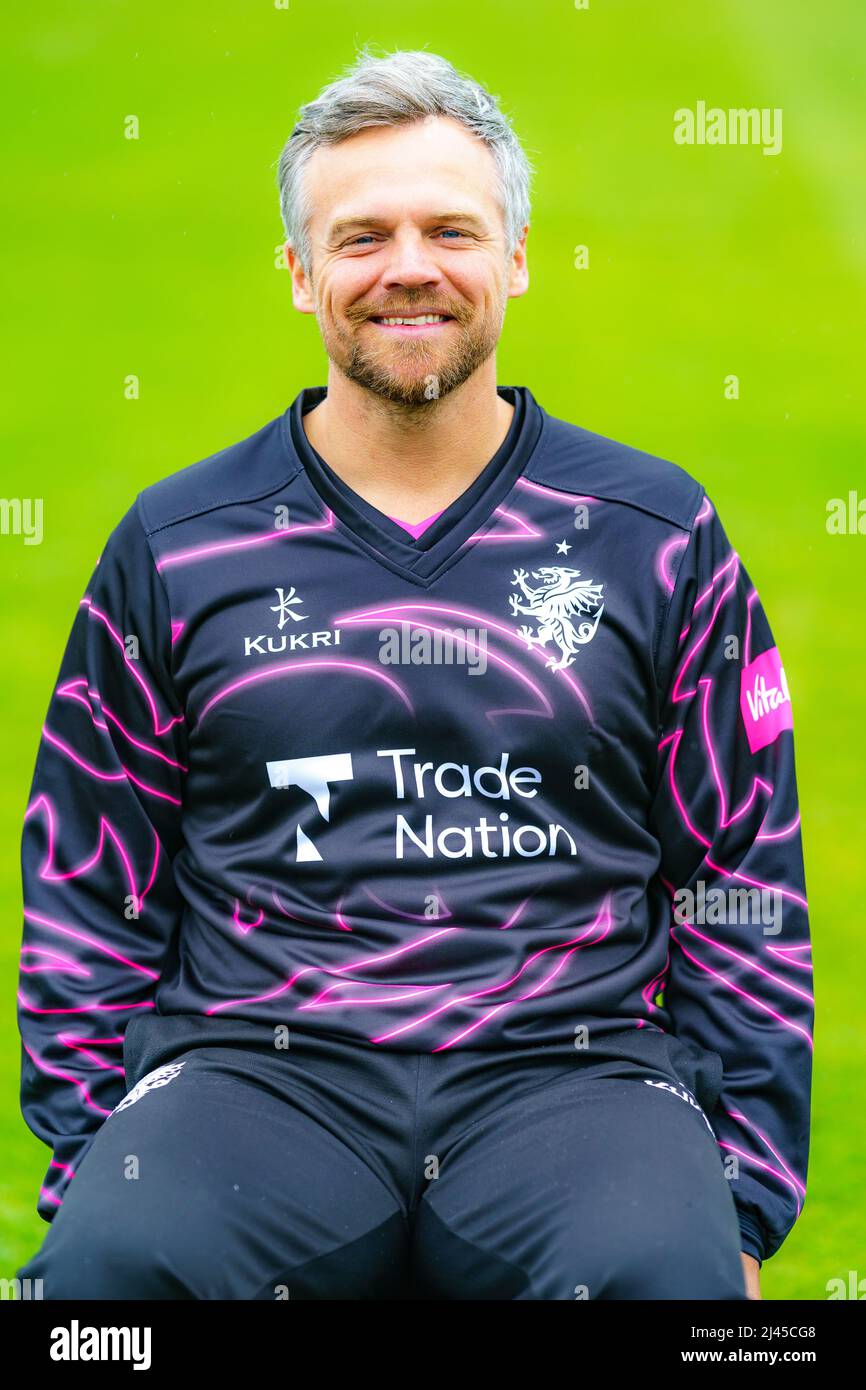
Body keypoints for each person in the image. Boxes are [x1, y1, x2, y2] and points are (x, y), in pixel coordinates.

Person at [15, 47, 812, 1301]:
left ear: (516, 258)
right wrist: (93, 1160)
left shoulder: (654, 533)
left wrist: (740, 1209)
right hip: (255, 1069)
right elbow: (84, 876)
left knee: (668, 1286)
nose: (408, 267)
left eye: (450, 228)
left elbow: (739, 872)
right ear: (297, 273)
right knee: (106, 1284)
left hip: (577, 1070)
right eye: (359, 235)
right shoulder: (177, 544)